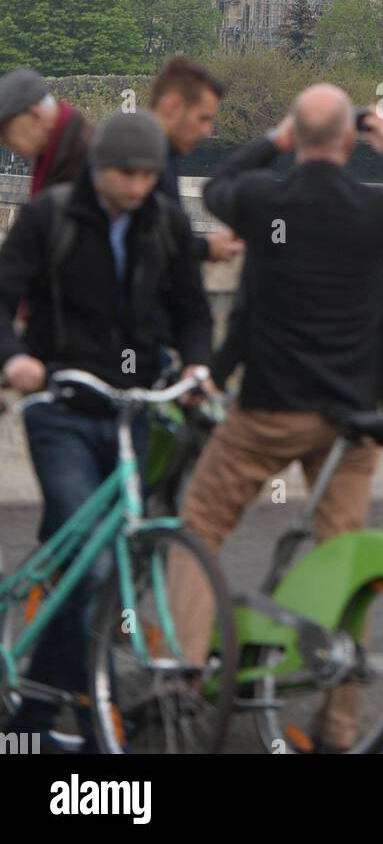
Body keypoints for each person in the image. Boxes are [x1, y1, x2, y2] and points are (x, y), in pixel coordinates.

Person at [176, 84, 383, 752]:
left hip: (268, 408)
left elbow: (218, 182)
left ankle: (184, 678)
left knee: (201, 527)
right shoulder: (377, 209)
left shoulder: (260, 201)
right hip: (350, 417)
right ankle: (337, 732)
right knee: (342, 563)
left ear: (296, 139)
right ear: (347, 141)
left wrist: (275, 140)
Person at [0, 111, 213, 753]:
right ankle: (96, 718)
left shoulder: (168, 223)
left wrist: (199, 364)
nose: (140, 185)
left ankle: (36, 717)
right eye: (128, 173)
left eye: (150, 174)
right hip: (61, 409)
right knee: (93, 565)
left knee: (108, 566)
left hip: (132, 410)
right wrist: (15, 358)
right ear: (100, 170)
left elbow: (192, 312)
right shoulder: (51, 217)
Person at [148, 55, 244, 266]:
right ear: (171, 106)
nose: (207, 131)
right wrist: (206, 247)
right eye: (203, 118)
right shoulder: (147, 164)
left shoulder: (162, 157)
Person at [0, 68, 91, 197]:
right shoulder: (60, 153)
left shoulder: (89, 160)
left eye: (6, 130)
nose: (3, 141)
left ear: (35, 116)